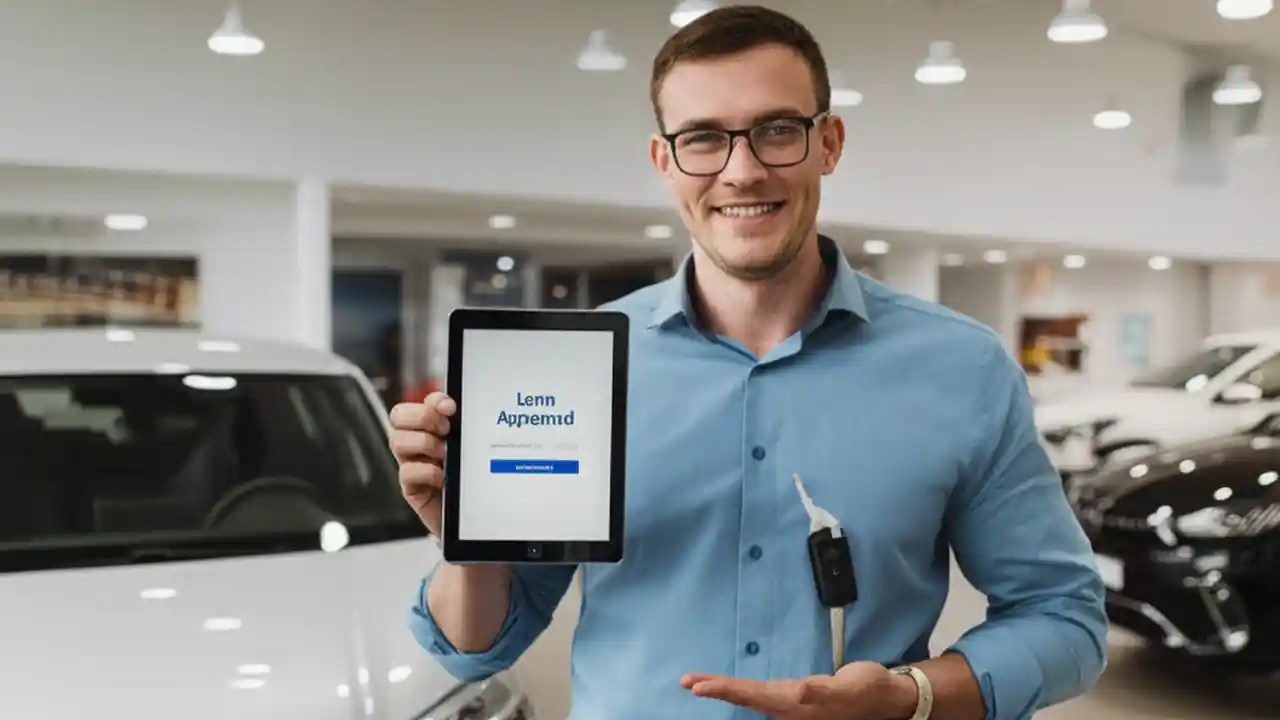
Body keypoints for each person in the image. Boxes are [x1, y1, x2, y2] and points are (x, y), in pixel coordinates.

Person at [389, 5, 1107, 719]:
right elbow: (475, 650)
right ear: (664, 161)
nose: (743, 170)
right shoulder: (573, 368)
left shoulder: (962, 369)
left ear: (829, 142)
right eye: (703, 138)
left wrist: (910, 697)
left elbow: (1062, 616)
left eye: (776, 131)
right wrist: (467, 534)